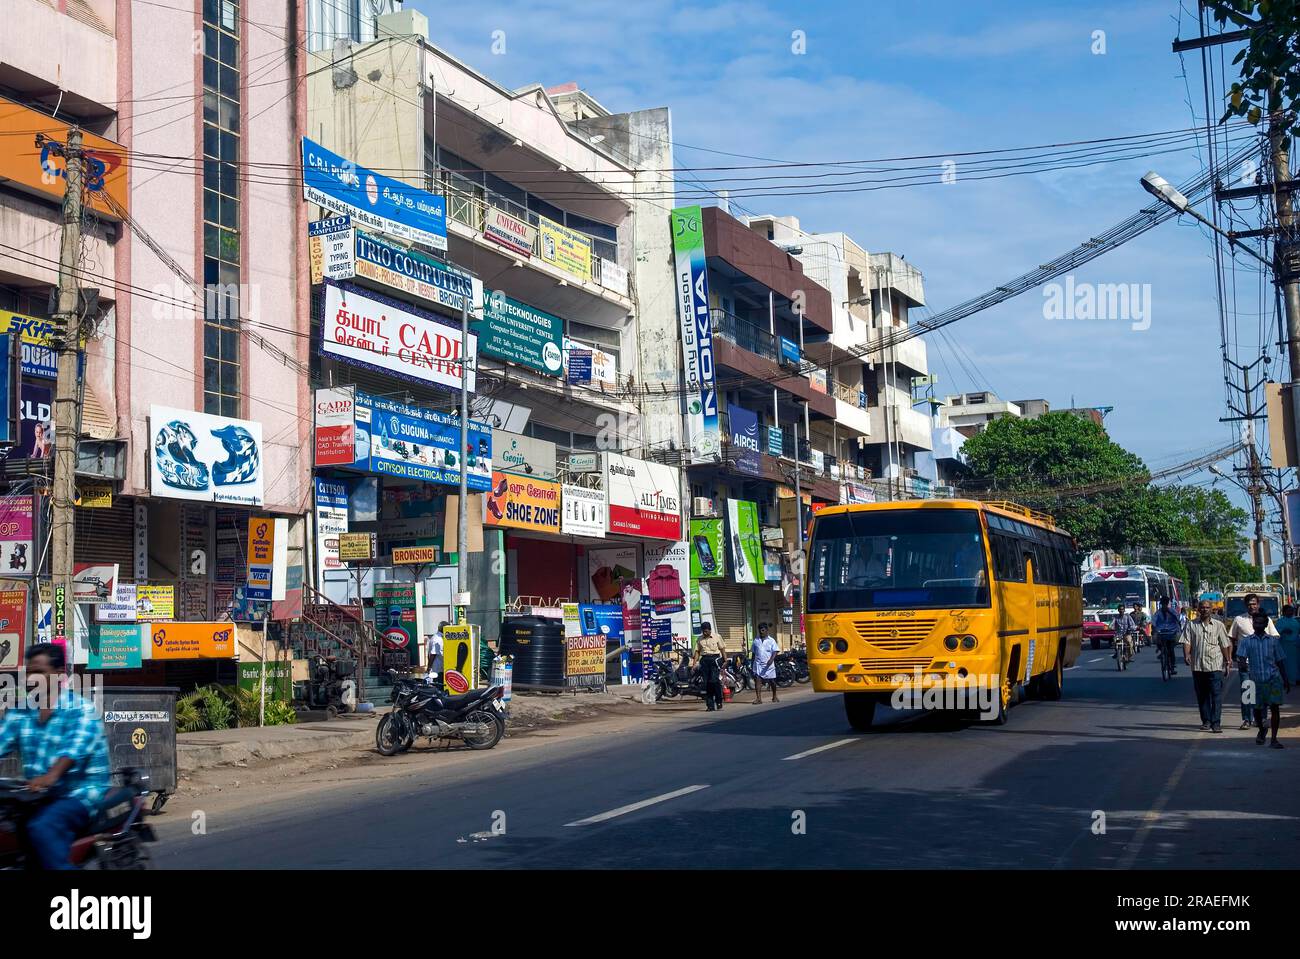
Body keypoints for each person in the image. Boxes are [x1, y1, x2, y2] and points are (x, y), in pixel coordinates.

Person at [0, 643, 111, 869]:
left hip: (78, 793)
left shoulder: (81, 710)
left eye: (39, 672)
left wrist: (50, 776)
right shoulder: (20, 712)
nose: (31, 679)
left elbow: (73, 750)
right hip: (35, 796)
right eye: (29, 672)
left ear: (59, 674)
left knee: (42, 828)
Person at [1237, 611, 1291, 748]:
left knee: (1275, 709)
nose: (1258, 625)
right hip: (1255, 681)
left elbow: (1280, 661)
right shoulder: (1246, 641)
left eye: (1261, 623)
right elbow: (1241, 657)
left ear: (1266, 624)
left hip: (1273, 680)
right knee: (1256, 709)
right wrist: (1242, 664)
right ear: (1253, 624)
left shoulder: (1273, 641)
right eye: (1256, 622)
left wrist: (1286, 680)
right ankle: (1262, 729)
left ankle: (1274, 739)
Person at [1229, 593, 1279, 730]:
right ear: (1246, 605)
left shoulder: (1266, 620)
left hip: (1263, 664)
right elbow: (1232, 639)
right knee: (1247, 691)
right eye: (1249, 604)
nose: (1252, 606)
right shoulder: (1239, 619)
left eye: (1254, 603)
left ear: (1258, 604)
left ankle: (1261, 719)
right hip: (1245, 663)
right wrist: (1232, 657)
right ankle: (1247, 719)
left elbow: (1275, 637)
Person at [1182, 598, 1233, 733]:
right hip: (1198, 666)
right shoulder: (1191, 625)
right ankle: (1206, 721)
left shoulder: (1218, 625)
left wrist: (1228, 661)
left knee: (1216, 694)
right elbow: (1187, 641)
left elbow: (1224, 644)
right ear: (1198, 609)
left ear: (1211, 610)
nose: (1204, 610)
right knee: (1202, 695)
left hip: (1215, 665)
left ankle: (1216, 723)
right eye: (1202, 607)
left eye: (1207, 608)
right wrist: (1187, 654)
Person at [694, 622, 726, 711]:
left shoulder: (717, 637)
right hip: (704, 660)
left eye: (706, 631)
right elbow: (697, 652)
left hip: (715, 660)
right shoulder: (699, 639)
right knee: (707, 683)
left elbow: (722, 648)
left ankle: (719, 701)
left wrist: (725, 660)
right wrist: (694, 663)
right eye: (703, 631)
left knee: (714, 681)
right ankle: (710, 705)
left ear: (710, 630)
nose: (705, 633)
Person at [750, 622, 780, 704]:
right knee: (758, 681)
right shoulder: (756, 640)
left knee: (772, 682)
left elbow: (775, 651)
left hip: (769, 665)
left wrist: (771, 659)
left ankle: (774, 696)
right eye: (760, 630)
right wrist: (752, 664)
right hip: (758, 665)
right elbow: (753, 653)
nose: (761, 632)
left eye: (763, 630)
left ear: (767, 630)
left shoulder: (771, 641)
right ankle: (758, 698)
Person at [1153, 596, 1182, 676]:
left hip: (1171, 631)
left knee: (1171, 649)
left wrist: (1170, 613)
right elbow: (1154, 621)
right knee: (1156, 640)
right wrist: (1154, 630)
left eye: (1166, 604)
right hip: (1161, 631)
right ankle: (1161, 650)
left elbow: (1178, 619)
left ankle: (1172, 667)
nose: (1164, 606)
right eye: (1163, 604)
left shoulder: (1172, 611)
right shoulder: (1158, 612)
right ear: (1161, 604)